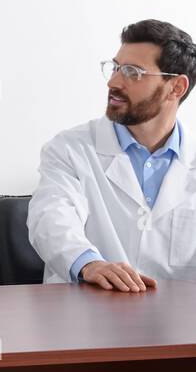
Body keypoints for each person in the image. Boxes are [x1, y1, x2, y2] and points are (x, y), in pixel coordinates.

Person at [28, 19, 196, 291]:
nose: (114, 81)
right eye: (116, 67)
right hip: (88, 316)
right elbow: (50, 218)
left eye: (133, 72)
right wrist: (89, 264)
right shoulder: (70, 148)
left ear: (176, 88)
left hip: (178, 324)